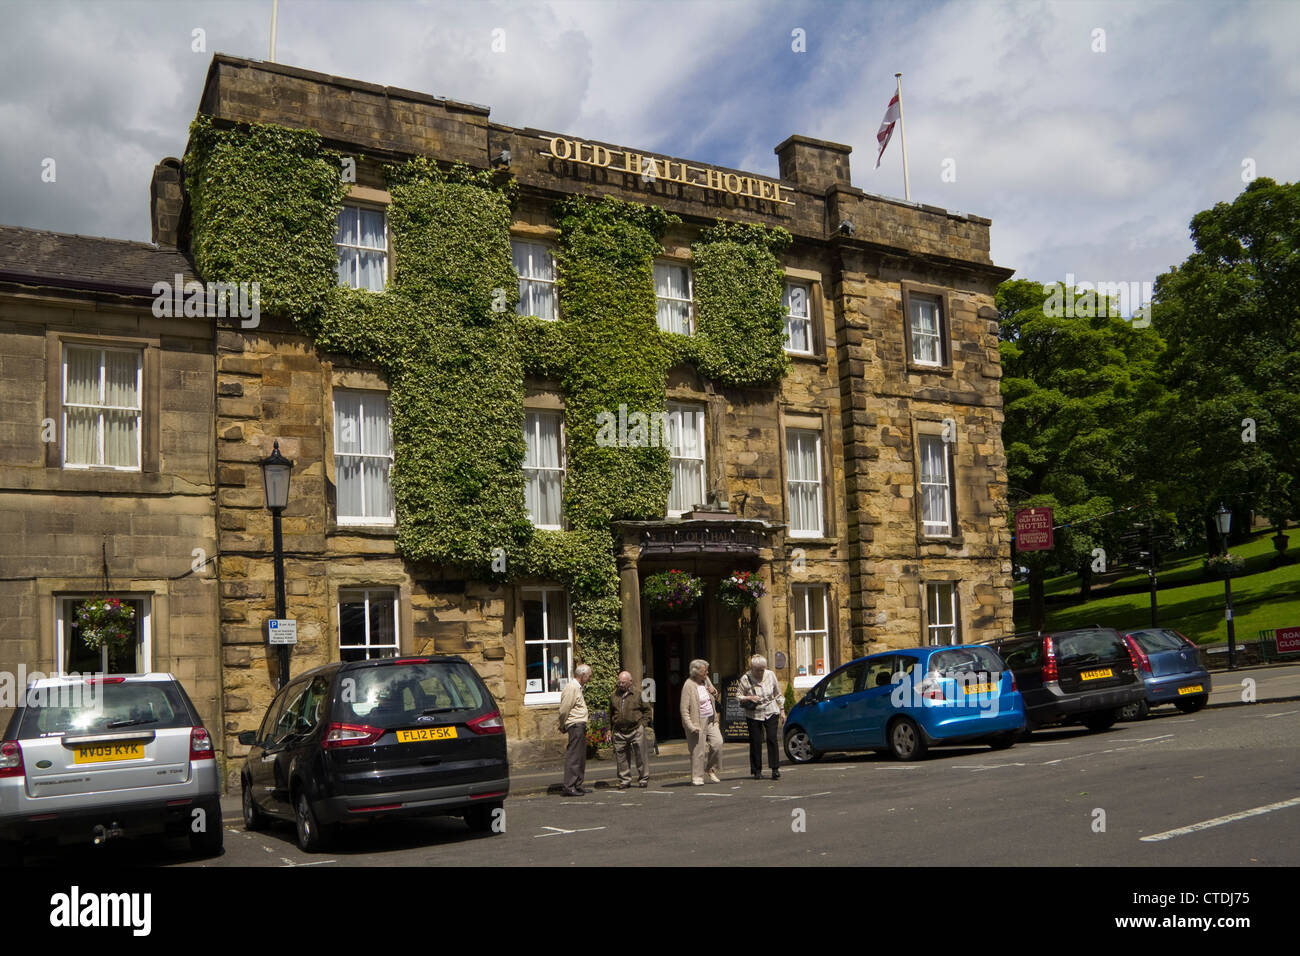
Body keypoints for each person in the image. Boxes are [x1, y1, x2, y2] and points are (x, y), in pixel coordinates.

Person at [737, 654, 784, 780]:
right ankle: (757, 770)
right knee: (756, 741)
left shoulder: (770, 675)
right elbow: (738, 696)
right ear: (752, 668)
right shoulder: (746, 678)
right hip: (754, 713)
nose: (760, 673)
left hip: (771, 709)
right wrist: (750, 697)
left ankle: (775, 769)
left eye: (762, 669)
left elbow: (777, 693)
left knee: (772, 738)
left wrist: (782, 710)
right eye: (757, 670)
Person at [679, 659, 723, 785]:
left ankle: (710, 769)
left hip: (710, 719)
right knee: (698, 751)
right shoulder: (688, 685)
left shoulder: (706, 680)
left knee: (718, 743)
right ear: (696, 672)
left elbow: (715, 695)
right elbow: (684, 710)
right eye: (705, 671)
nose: (707, 673)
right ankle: (697, 777)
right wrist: (690, 726)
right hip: (697, 721)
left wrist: (713, 692)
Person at [609, 670, 651, 789]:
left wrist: (643, 724)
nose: (620, 685)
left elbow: (647, 711)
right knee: (621, 757)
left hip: (636, 729)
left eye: (623, 682)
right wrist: (609, 728)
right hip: (619, 730)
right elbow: (610, 713)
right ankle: (624, 780)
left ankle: (643, 778)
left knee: (640, 755)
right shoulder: (614, 695)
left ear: (630, 682)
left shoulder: (639, 694)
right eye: (619, 682)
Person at [557, 664, 592, 797]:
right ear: (583, 675)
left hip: (580, 725)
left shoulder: (577, 688)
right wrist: (562, 725)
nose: (590, 678)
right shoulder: (571, 688)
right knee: (574, 757)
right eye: (589, 675)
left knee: (580, 756)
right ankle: (569, 786)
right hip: (575, 725)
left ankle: (577, 784)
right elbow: (564, 709)